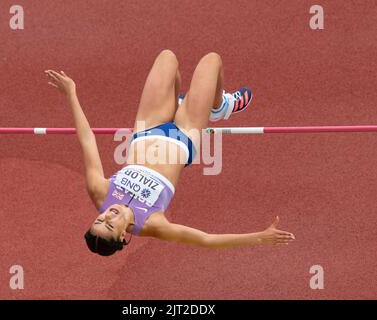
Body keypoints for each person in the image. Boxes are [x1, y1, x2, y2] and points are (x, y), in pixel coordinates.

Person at [45, 50, 295, 257]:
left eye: (99, 220)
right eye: (110, 225)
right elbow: (206, 240)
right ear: (123, 235)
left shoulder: (100, 193)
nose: (107, 216)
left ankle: (180, 103)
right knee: (212, 61)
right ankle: (219, 107)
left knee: (167, 58)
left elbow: (87, 139)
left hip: (147, 127)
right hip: (183, 136)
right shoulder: (152, 224)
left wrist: (71, 94)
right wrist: (259, 238)